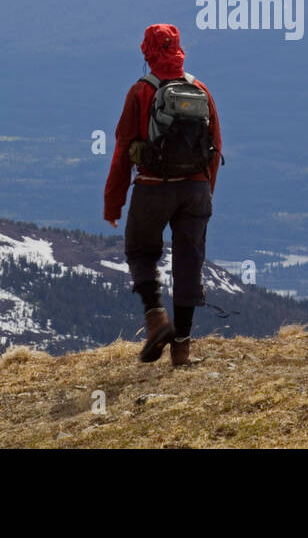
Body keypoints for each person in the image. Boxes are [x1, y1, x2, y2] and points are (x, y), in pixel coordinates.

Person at [104, 23, 222, 367]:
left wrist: (113, 203)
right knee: (189, 263)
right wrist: (206, 191)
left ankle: (156, 318)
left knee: (140, 250)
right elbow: (215, 145)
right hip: (196, 189)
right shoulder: (199, 89)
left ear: (147, 51)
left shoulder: (141, 92)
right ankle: (181, 349)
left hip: (153, 187)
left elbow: (123, 150)